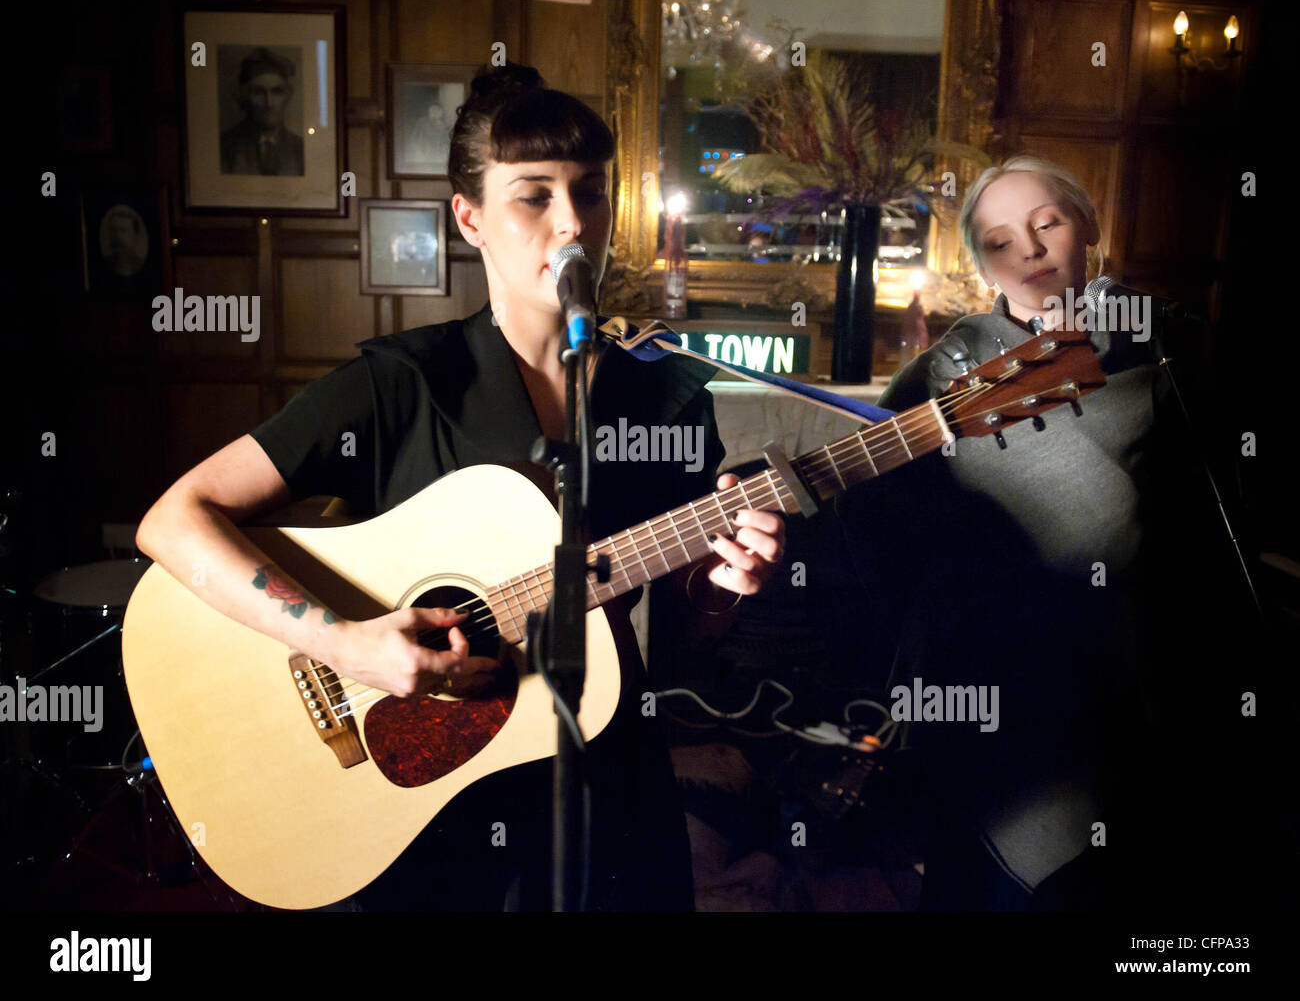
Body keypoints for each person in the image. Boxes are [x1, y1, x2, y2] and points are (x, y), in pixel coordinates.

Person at [137, 63, 786, 911]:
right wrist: (344, 643)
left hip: (610, 789)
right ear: (469, 217)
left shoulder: (665, 395)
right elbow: (174, 520)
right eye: (534, 196)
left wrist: (725, 585)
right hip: (435, 806)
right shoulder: (399, 384)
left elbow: (684, 634)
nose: (572, 225)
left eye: (591, 193)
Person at [836, 154, 1255, 911]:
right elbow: (869, 519)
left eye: (1046, 223)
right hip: (992, 686)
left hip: (1136, 685)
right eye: (1000, 240)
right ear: (982, 265)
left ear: (1088, 226)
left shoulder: (1169, 345)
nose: (1028, 249)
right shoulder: (940, 377)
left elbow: (1217, 512)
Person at [220, 47, 305, 177]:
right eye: (259, 92)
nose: (269, 103)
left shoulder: (300, 149)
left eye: (277, 92)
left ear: (288, 96)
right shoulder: (224, 148)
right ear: (245, 95)